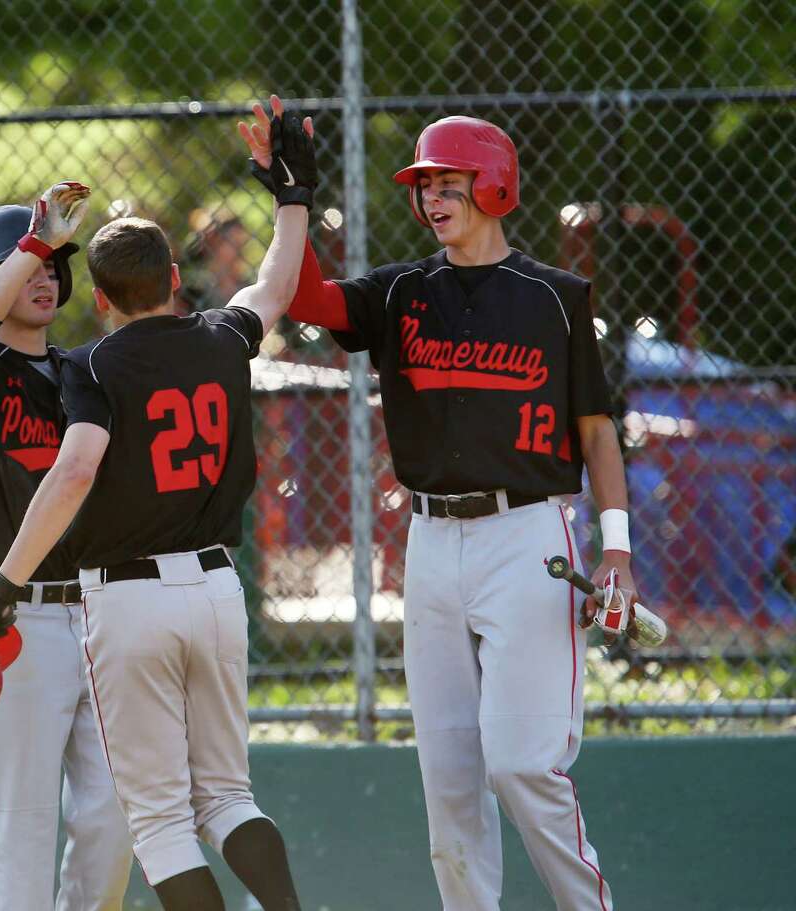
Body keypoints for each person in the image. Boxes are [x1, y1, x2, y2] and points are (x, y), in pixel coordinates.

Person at [0, 96, 316, 911]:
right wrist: (290, 196)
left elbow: (77, 468)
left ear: (103, 299)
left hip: (127, 598)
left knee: (155, 821)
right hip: (220, 587)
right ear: (176, 280)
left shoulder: (94, 363)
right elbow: (276, 284)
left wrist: (5, 584)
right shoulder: (223, 336)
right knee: (227, 796)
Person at [267, 114, 630, 909]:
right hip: (430, 543)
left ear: (494, 184)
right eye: (424, 183)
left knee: (522, 764)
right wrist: (292, 201)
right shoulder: (401, 291)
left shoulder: (556, 299)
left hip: (529, 536)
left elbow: (597, 433)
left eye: (447, 178)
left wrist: (619, 550)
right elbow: (311, 297)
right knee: (449, 782)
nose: (432, 194)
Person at [0, 196, 134, 909]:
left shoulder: (86, 374)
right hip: (8, 618)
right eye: (29, 264)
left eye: (55, 264)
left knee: (116, 813)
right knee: (17, 821)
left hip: (101, 612)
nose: (46, 274)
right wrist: (29, 245)